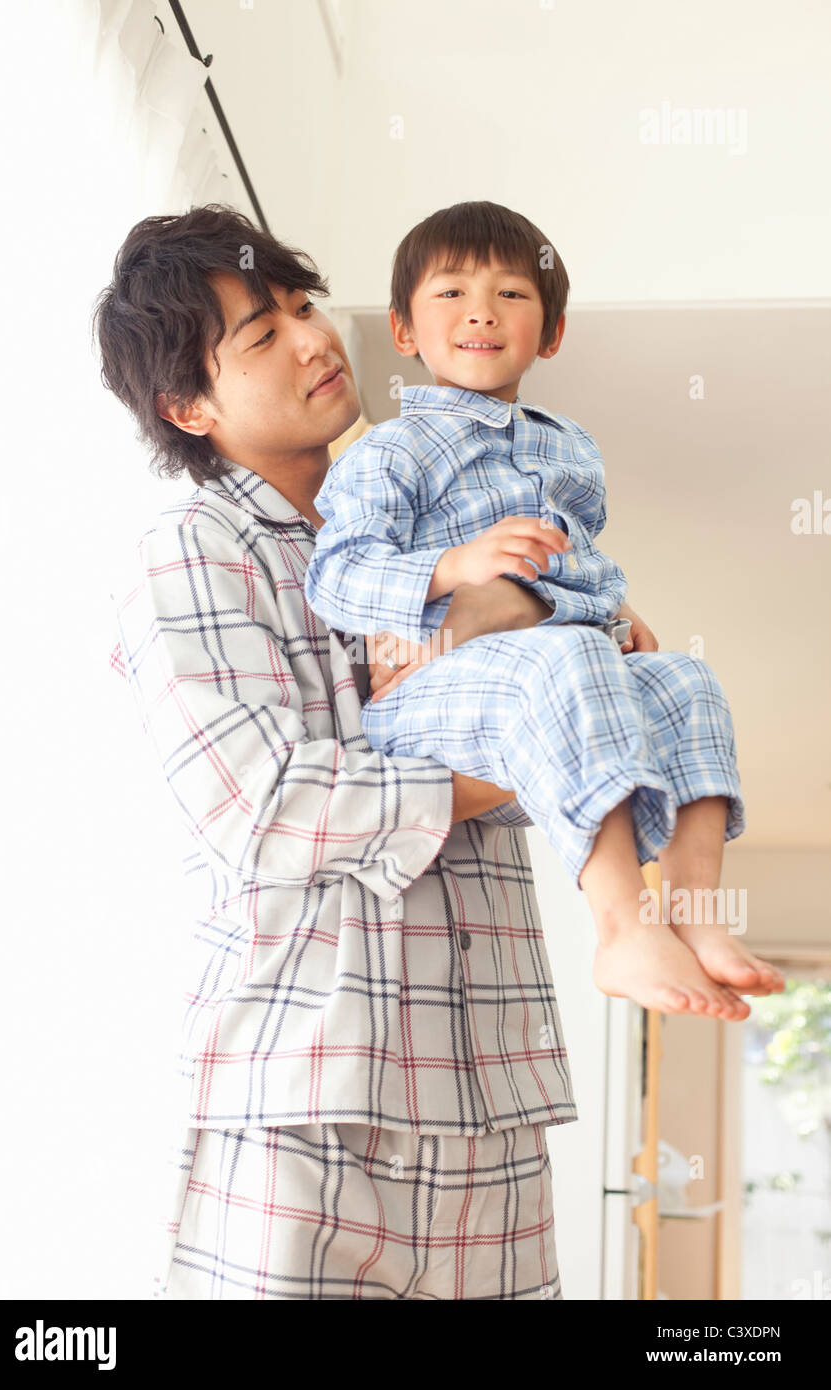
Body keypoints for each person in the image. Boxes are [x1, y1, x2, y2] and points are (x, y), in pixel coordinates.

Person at [96, 204, 588, 1300]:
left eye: (304, 307)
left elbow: (538, 755)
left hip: (491, 1099)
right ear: (188, 405)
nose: (316, 340)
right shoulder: (191, 553)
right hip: (300, 1098)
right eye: (262, 336)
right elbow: (268, 807)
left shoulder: (433, 542)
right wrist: (544, 742)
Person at [304, 199, 785, 1020]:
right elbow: (337, 575)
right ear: (404, 329)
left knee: (685, 679)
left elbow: (574, 556)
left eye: (512, 294)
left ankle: (696, 914)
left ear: (551, 331)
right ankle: (621, 928)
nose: (481, 311)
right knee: (570, 656)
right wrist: (455, 565)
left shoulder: (569, 447)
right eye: (451, 292)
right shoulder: (392, 450)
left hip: (553, 687)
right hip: (430, 691)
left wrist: (612, 601)